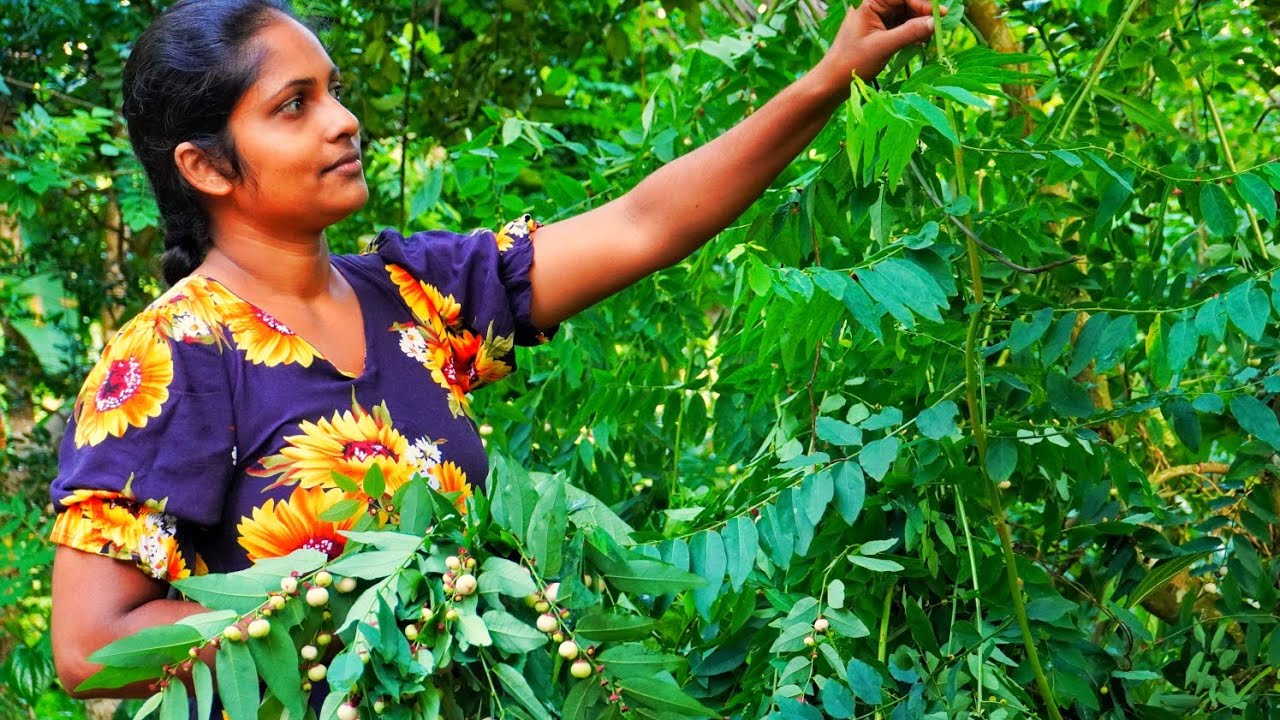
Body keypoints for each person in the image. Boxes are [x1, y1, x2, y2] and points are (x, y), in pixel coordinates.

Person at [49, 0, 945, 702]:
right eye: (295, 106)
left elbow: (644, 225)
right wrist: (347, 610)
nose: (343, 120)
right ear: (207, 167)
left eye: (333, 89)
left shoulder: (412, 292)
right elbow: (90, 651)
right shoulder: (175, 355)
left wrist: (832, 74)